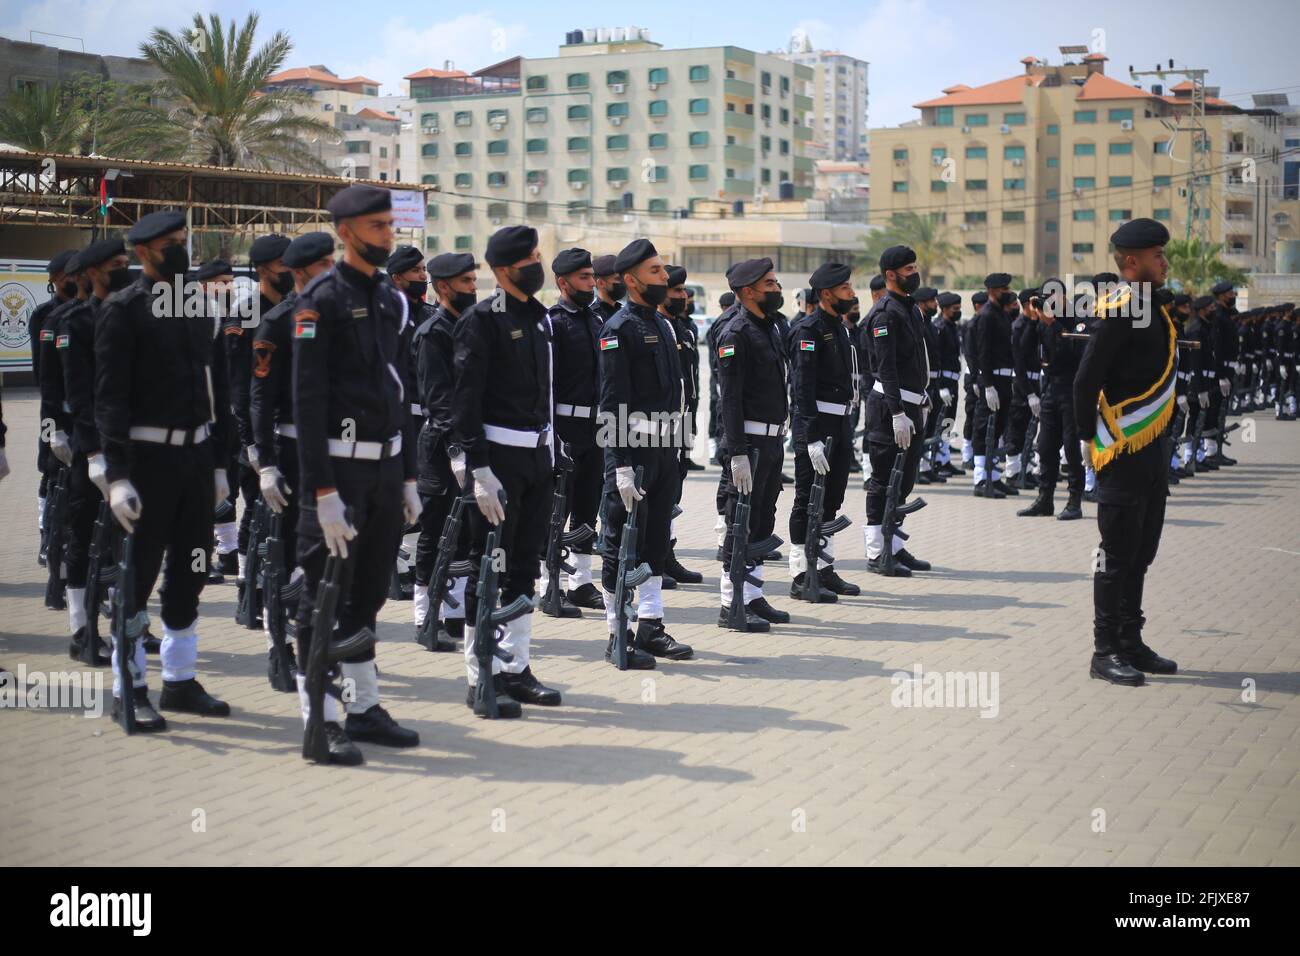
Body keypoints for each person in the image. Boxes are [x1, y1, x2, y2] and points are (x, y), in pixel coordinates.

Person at [292, 185, 422, 763]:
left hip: (385, 468)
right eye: (376, 227)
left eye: (390, 225)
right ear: (345, 233)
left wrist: (409, 476)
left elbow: (401, 392)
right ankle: (321, 720)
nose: (388, 235)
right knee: (323, 597)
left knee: (367, 595)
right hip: (338, 474)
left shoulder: (392, 298)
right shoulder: (321, 300)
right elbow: (307, 401)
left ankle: (364, 707)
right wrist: (321, 491)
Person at [95, 210, 234, 731]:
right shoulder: (123, 311)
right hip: (148, 461)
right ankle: (128, 685)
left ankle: (179, 678)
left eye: (183, 241)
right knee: (139, 572)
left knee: (193, 566)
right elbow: (109, 399)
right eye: (171, 244)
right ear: (143, 252)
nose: (181, 250)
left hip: (196, 459)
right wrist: (117, 476)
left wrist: (220, 462)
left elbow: (218, 390)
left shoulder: (199, 307)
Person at [453, 225, 565, 709]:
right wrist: (477, 469)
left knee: (524, 566)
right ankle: (483, 673)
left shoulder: (539, 319)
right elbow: (465, 403)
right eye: (529, 259)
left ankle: (516, 667)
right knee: (488, 567)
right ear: (502, 271)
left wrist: (553, 450)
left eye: (539, 255)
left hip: (537, 456)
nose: (537, 264)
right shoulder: (482, 321)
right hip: (498, 461)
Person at [1074, 218, 1180, 686]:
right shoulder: (1120, 309)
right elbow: (1085, 380)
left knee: (1142, 550)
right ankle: (1104, 650)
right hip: (1121, 449)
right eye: (1158, 255)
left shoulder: (1150, 306)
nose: (1165, 262)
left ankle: (1131, 641)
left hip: (1150, 448)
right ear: (1132, 262)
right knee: (1115, 553)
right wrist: (1084, 439)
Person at [596, 239, 693, 666]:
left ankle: (651, 627)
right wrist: (619, 465)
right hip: (633, 449)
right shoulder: (618, 330)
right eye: (655, 272)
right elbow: (611, 402)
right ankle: (618, 634)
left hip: (664, 447)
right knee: (620, 542)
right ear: (632, 281)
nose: (665, 278)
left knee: (655, 541)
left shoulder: (665, 325)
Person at [249, 231, 336, 676]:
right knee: (282, 552)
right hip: (289, 448)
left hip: (332, 449)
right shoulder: (277, 322)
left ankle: (323, 638)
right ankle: (277, 641)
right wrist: (264, 462)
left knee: (329, 551)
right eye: (322, 266)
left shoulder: (336, 316)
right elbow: (260, 397)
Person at [59, 238, 131, 664]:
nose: (123, 270)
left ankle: (129, 623)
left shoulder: (133, 316)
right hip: (93, 450)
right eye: (114, 265)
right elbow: (76, 396)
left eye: (125, 263)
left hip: (131, 447)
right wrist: (92, 453)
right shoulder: (74, 323)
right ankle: (81, 627)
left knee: (128, 543)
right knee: (83, 536)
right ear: (90, 275)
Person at [715, 257, 790, 628]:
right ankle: (731, 604)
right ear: (748, 292)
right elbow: (730, 398)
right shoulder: (736, 334)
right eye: (770, 285)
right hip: (750, 444)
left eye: (775, 283)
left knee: (762, 521)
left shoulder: (771, 327)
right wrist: (738, 453)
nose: (777, 290)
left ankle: (753, 595)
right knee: (739, 523)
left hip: (773, 443)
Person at [410, 251, 477, 648]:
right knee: (434, 531)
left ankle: (454, 613)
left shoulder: (471, 327)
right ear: (445, 286)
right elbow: (439, 399)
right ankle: (425, 615)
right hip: (442, 449)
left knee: (465, 534)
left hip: (468, 446)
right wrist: (457, 451)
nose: (473, 287)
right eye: (466, 282)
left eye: (473, 280)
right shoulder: (434, 333)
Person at [227, 236, 293, 612]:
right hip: (257, 433)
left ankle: (268, 586)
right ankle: (246, 587)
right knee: (255, 510)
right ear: (265, 268)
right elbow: (239, 388)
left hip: (287, 432)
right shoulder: (246, 315)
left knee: (277, 516)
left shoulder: (291, 310)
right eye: (284, 263)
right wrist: (251, 442)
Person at [787, 261, 859, 600]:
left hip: (841, 423)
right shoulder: (808, 330)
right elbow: (802, 388)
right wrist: (811, 437)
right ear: (828, 294)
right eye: (846, 289)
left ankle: (824, 566)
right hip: (817, 426)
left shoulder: (840, 327)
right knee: (807, 499)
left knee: (831, 500)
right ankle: (801, 573)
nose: (852, 294)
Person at [861, 245, 931, 576]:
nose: (914, 273)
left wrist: (922, 398)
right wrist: (897, 412)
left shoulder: (910, 308)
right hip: (890, 407)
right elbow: (885, 369)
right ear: (890, 275)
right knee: (883, 480)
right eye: (908, 269)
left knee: (903, 482)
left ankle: (896, 545)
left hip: (911, 404)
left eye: (914, 267)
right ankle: (877, 551)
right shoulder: (885, 313)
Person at [546, 247, 605, 611]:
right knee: (556, 507)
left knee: (587, 505)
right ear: (563, 282)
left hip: (595, 426)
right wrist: (552, 434)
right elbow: (545, 384)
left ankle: (580, 581)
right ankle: (545, 581)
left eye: (592, 277)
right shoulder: (553, 323)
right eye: (583, 278)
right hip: (565, 425)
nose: (591, 284)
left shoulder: (597, 321)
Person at [1019, 278, 1086, 519]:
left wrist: (1054, 325)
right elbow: (1024, 349)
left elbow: (1074, 353)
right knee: (1045, 447)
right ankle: (1044, 499)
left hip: (1071, 390)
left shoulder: (1078, 320)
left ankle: (1074, 500)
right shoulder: (1044, 322)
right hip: (1050, 391)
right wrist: (1032, 320)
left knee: (1071, 448)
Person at [660, 264, 704, 585]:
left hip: (681, 422)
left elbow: (690, 381)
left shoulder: (684, 329)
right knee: (654, 497)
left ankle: (665, 554)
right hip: (653, 427)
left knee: (672, 495)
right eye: (676, 291)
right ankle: (647, 559)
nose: (683, 296)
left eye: (683, 291)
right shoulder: (655, 326)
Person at [971, 274, 1016, 498]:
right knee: (984, 428)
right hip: (993, 380)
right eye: (1003, 289)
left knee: (997, 428)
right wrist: (987, 385)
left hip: (1005, 379)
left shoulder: (1002, 314)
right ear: (991, 290)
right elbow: (983, 352)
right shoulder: (987, 315)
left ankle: (994, 476)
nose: (1007, 291)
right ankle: (980, 478)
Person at [932, 292, 963, 477]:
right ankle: (936, 460)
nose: (958, 312)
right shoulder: (940, 327)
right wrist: (941, 386)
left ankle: (944, 459)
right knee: (940, 421)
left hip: (952, 380)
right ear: (944, 310)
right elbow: (937, 358)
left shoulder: (952, 326)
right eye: (955, 309)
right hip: (943, 381)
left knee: (948, 421)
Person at [592, 253, 625, 323]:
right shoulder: (592, 316)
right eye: (618, 279)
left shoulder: (624, 311)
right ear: (601, 283)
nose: (623, 282)